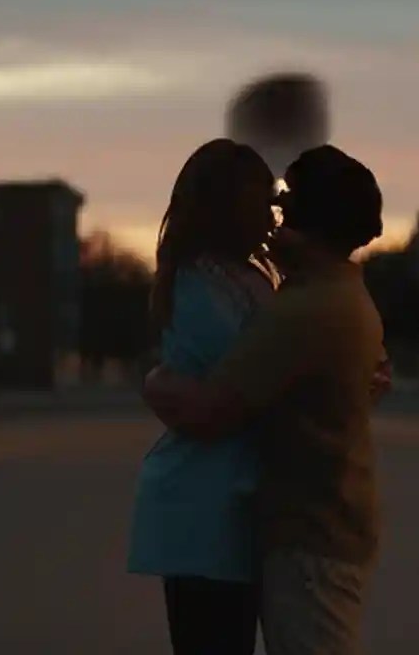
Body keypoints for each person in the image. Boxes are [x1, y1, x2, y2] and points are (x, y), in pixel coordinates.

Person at [144, 145, 387, 655]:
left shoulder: (297, 302)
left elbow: (215, 406)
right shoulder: (251, 288)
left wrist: (158, 386)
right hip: (220, 511)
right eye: (268, 198)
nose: (277, 210)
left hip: (294, 526)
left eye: (287, 199)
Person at [126, 138, 278, 655]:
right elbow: (242, 384)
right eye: (262, 199)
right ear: (228, 204)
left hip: (237, 503)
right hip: (204, 505)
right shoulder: (197, 282)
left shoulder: (250, 278)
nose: (273, 213)